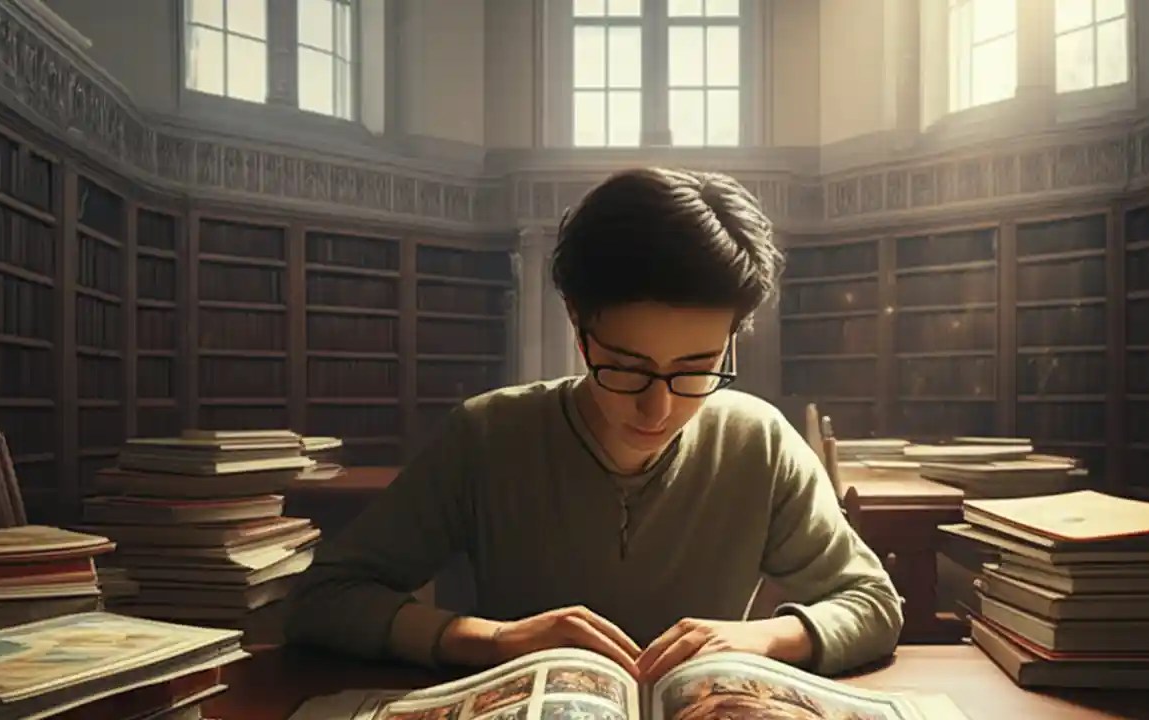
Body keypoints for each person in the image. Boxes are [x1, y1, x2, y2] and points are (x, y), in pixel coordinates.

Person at [282, 167, 903, 683]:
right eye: (627, 368)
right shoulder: (488, 435)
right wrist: (492, 640)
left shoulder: (758, 441)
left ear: (732, 340)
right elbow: (323, 599)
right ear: (578, 327)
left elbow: (872, 603)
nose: (658, 409)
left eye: (696, 369)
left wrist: (763, 638)